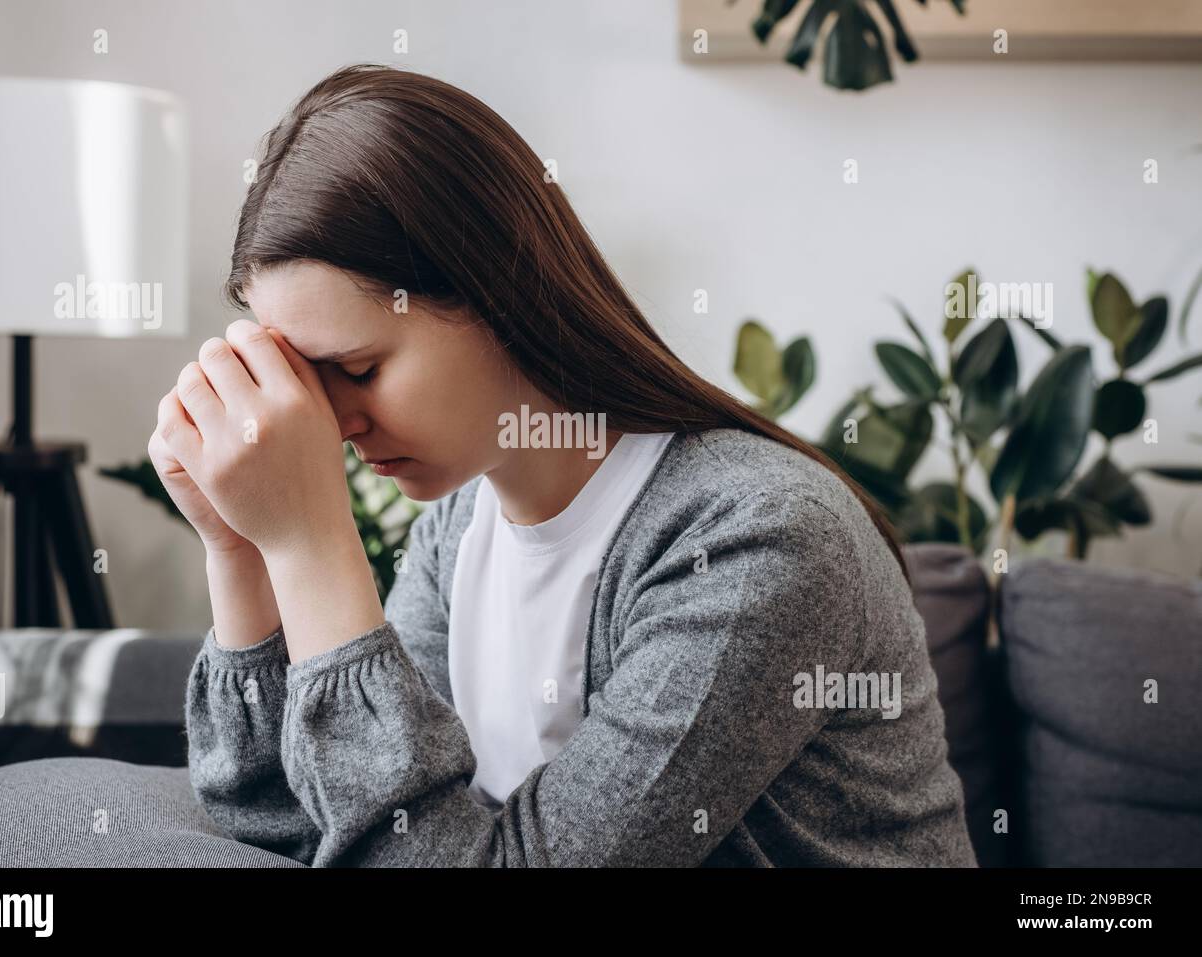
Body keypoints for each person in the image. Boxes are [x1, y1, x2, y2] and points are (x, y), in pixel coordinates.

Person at [151, 63, 978, 867]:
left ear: (499, 292)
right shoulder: (454, 539)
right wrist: (241, 551)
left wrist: (308, 545)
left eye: (359, 370)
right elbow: (292, 820)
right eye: (308, 383)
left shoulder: (760, 540)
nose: (336, 425)